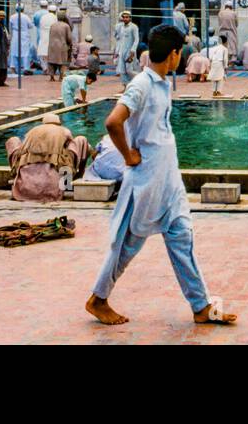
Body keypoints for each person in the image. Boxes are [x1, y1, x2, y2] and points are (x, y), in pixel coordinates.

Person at [86, 23, 236, 327]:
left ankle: (200, 305)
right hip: (147, 181)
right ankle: (98, 299)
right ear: (174, 54)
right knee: (127, 244)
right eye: (180, 53)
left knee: (182, 236)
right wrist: (128, 155)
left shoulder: (160, 83)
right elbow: (113, 122)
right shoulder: (141, 84)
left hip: (168, 179)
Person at [6, 111, 91, 202]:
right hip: (54, 182)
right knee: (81, 140)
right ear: (59, 123)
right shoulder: (64, 131)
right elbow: (75, 148)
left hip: (25, 182)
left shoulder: (32, 131)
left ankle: (16, 175)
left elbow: (23, 150)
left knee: (13, 141)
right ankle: (78, 176)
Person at [113, 10, 139, 84]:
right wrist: (118, 51)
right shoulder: (121, 27)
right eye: (124, 17)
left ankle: (141, 78)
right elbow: (119, 39)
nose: (125, 19)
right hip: (122, 51)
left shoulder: (134, 27)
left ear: (130, 18)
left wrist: (133, 51)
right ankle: (126, 86)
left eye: (127, 17)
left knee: (129, 70)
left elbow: (136, 39)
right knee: (122, 70)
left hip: (130, 51)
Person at [46, 8, 72, 81]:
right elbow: (69, 38)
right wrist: (70, 44)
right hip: (62, 46)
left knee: (52, 62)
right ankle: (61, 77)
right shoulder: (66, 26)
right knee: (62, 62)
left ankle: (52, 77)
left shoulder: (52, 25)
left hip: (52, 46)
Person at [8, 5, 34, 76]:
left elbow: (10, 27)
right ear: (23, 9)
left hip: (15, 35)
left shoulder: (12, 17)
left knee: (14, 51)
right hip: (24, 35)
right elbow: (31, 26)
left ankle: (13, 68)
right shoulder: (26, 17)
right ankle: (26, 68)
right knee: (25, 52)